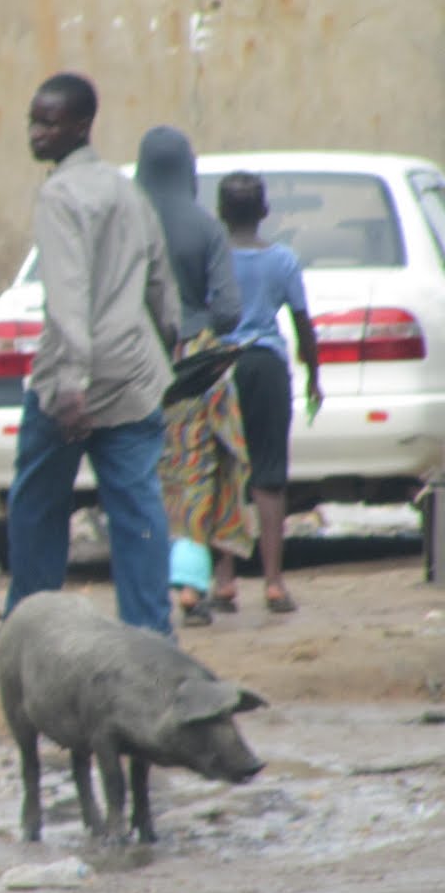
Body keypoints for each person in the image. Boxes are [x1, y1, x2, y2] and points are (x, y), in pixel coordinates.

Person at [0, 73, 180, 657]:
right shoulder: (126, 190)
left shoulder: (60, 195)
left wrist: (70, 384)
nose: (37, 133)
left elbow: (66, 296)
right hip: (135, 374)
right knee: (137, 508)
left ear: (81, 125)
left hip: (75, 374)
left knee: (38, 503)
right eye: (34, 121)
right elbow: (161, 281)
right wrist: (170, 349)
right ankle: (151, 638)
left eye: (49, 122)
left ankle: (26, 633)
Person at [135, 125, 254, 627]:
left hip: (138, 365)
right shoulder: (206, 228)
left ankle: (146, 586)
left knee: (148, 475)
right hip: (196, 368)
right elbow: (229, 311)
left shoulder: (130, 223)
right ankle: (192, 586)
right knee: (198, 473)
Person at [212, 171, 322, 614]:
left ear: (220, 212)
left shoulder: (213, 257)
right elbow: (302, 323)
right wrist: (314, 375)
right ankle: (274, 583)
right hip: (267, 366)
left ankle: (224, 581)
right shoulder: (283, 261)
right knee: (269, 474)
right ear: (264, 212)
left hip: (221, 367)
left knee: (224, 470)